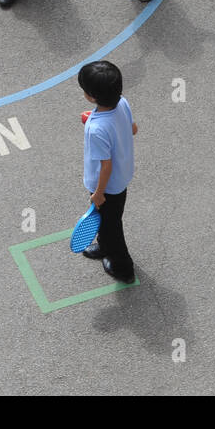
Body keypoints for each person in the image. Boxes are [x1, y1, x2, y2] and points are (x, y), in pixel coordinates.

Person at [78, 60, 138, 283]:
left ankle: (123, 268)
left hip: (108, 188)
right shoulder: (122, 103)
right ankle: (104, 246)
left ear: (91, 96)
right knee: (107, 222)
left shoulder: (96, 129)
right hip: (122, 178)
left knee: (113, 228)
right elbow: (133, 128)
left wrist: (98, 193)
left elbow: (106, 166)